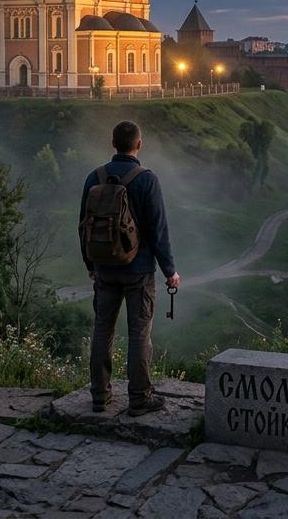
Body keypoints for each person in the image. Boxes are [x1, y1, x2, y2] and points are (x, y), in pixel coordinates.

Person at [80, 120, 180, 416]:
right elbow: (158, 229)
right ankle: (139, 397)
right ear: (139, 144)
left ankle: (99, 396)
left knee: (102, 330)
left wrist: (91, 264)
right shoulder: (146, 179)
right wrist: (169, 271)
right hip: (138, 270)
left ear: (113, 144)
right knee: (139, 334)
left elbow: (83, 226)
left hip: (104, 269)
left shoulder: (93, 177)